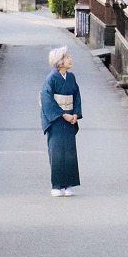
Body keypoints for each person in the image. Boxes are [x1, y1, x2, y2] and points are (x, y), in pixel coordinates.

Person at [40, 45, 82, 197]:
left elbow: (77, 96)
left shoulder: (71, 77)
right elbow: (46, 99)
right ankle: (57, 185)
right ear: (59, 62)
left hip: (70, 118)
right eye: (67, 57)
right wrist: (63, 115)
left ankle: (68, 184)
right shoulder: (51, 79)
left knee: (70, 151)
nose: (70, 59)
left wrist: (75, 114)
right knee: (57, 151)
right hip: (57, 119)